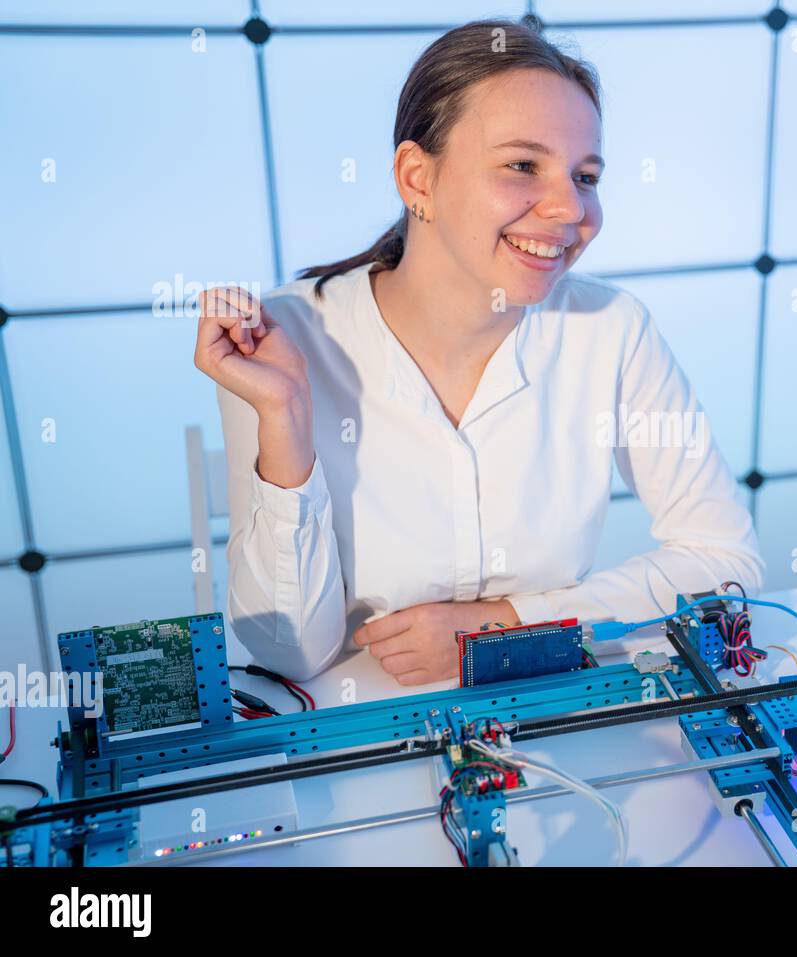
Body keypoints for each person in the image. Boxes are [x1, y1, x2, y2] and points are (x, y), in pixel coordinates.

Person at [193, 17, 762, 686]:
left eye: (585, 176)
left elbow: (726, 563)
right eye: (523, 165)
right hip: (360, 741)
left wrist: (506, 624)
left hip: (547, 713)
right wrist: (285, 418)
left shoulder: (610, 327)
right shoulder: (283, 340)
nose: (569, 210)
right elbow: (286, 653)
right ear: (418, 178)